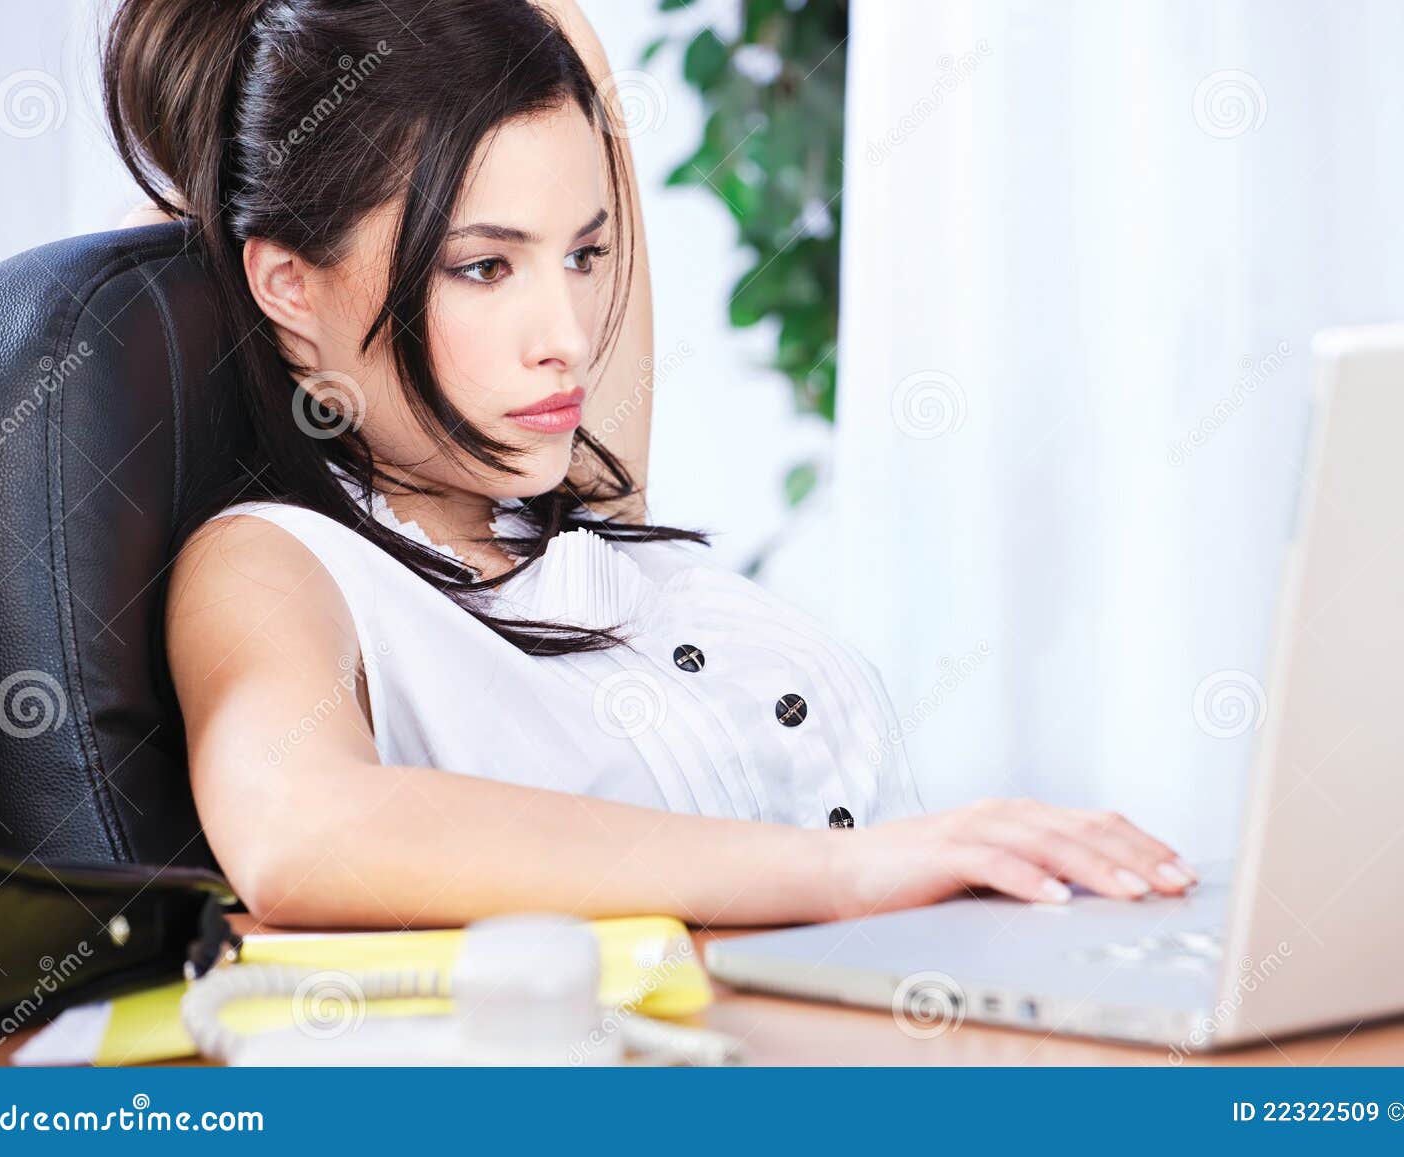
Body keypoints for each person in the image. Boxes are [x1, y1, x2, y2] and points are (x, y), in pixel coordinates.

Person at [109, 0, 1197, 928]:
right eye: (484, 266)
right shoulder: (277, 565)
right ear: (290, 287)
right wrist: (849, 873)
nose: (571, 335)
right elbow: (301, 829)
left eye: (584, 254)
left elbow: (562, 50)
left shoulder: (567, 493)